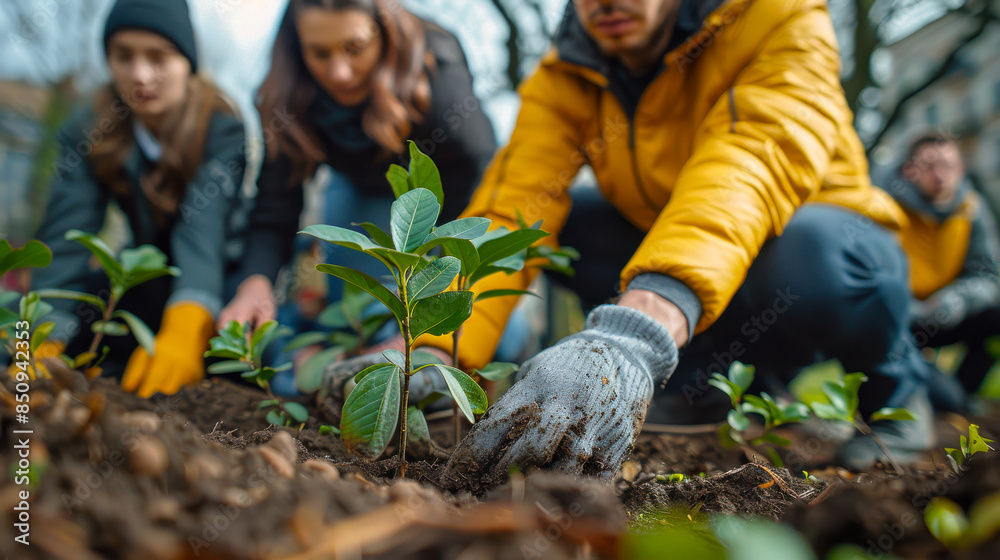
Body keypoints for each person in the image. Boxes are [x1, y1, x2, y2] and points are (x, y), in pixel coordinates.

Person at [362, 0, 941, 479]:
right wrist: (430, 347)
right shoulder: (566, 73)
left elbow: (750, 164)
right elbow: (514, 207)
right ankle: (701, 386)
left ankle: (896, 398)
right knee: (571, 223)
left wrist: (635, 334)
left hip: (813, 247)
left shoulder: (778, 18)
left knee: (812, 256)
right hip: (693, 263)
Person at [218, 0, 497, 339]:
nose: (339, 72)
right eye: (320, 53)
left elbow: (481, 185)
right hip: (356, 190)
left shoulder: (437, 69)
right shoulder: (292, 96)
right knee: (361, 319)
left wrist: (437, 304)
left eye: (355, 48)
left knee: (450, 322)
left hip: (451, 205)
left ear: (385, 34)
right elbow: (275, 207)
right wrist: (255, 283)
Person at [25, 0, 247, 397]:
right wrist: (45, 334)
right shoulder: (90, 127)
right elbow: (66, 236)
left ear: (187, 63)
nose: (140, 74)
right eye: (123, 56)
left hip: (219, 276)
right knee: (80, 321)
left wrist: (186, 324)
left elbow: (204, 230)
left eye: (159, 57)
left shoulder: (222, 128)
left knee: (232, 368)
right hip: (146, 277)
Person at [886, 134, 1000, 406]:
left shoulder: (972, 210)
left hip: (946, 316)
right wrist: (909, 308)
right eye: (929, 166)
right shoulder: (886, 207)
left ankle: (963, 392)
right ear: (909, 170)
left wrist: (959, 299)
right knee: (944, 399)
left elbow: (988, 275)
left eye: (948, 166)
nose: (939, 175)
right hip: (897, 324)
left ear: (960, 169)